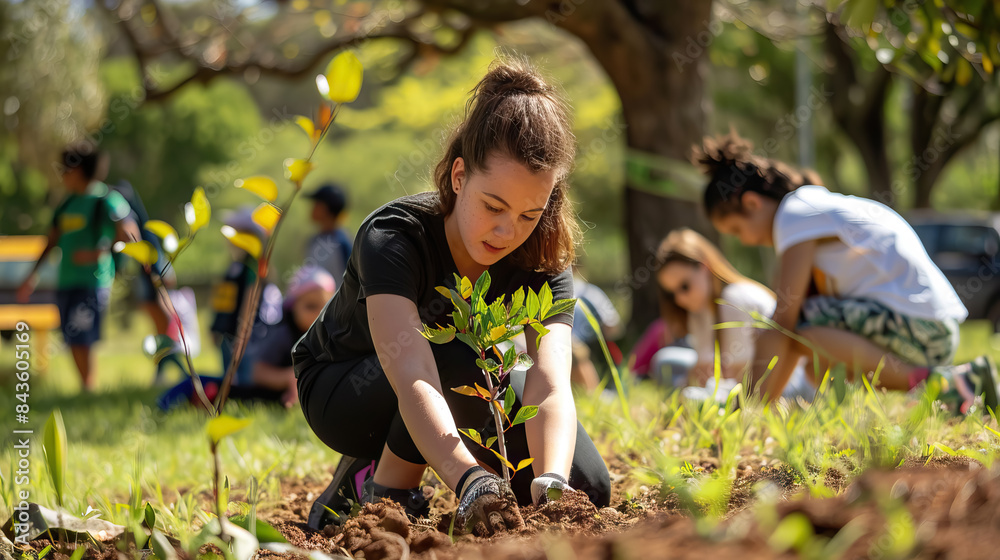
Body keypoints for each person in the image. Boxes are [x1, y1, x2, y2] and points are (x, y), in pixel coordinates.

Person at [293, 58, 611, 535]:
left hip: (461, 373)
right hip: (345, 387)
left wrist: (552, 482)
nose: (508, 232)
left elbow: (549, 383)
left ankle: (410, 465)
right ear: (459, 177)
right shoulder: (394, 237)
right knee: (453, 350)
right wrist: (471, 481)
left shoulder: (544, 257)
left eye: (530, 213)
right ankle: (381, 491)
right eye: (493, 206)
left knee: (587, 485)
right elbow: (415, 373)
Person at [696, 132, 996, 413]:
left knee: (795, 321)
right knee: (816, 359)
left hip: (922, 330)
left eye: (737, 230)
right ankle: (943, 388)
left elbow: (785, 322)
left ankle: (938, 384)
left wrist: (743, 410)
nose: (745, 240)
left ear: (752, 203)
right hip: (933, 330)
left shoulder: (794, 213)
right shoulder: (814, 205)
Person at [17, 144, 139, 391]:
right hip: (66, 280)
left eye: (66, 169)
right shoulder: (66, 204)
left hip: (93, 281)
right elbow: (51, 241)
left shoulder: (106, 200)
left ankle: (88, 387)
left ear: (80, 170)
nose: (62, 175)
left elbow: (130, 234)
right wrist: (32, 276)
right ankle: (84, 385)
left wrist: (101, 252)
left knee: (82, 333)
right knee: (70, 335)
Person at [645, 228, 814, 401]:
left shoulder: (735, 299)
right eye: (671, 294)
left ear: (704, 267)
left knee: (690, 389)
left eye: (685, 286)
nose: (679, 299)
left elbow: (750, 373)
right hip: (740, 388)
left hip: (787, 385)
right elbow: (706, 371)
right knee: (664, 362)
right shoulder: (699, 313)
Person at [210, 207, 282, 387]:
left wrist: (242, 336)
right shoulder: (234, 265)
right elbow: (223, 298)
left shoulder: (253, 267)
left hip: (244, 337)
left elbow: (249, 305)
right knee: (228, 376)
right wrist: (216, 326)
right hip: (227, 333)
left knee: (244, 379)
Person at [252, 266, 335, 407]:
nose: (318, 314)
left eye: (326, 308)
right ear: (293, 306)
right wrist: (287, 378)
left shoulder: (332, 333)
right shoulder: (283, 335)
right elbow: (258, 372)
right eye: (310, 306)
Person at [570, 266, 622, 391]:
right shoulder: (590, 292)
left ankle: (592, 393)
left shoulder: (588, 293)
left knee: (576, 350)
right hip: (570, 342)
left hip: (586, 345)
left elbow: (612, 326)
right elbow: (613, 326)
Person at [305, 183, 352, 287]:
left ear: (326, 208)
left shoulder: (342, 243)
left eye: (317, 204)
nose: (312, 208)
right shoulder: (314, 240)